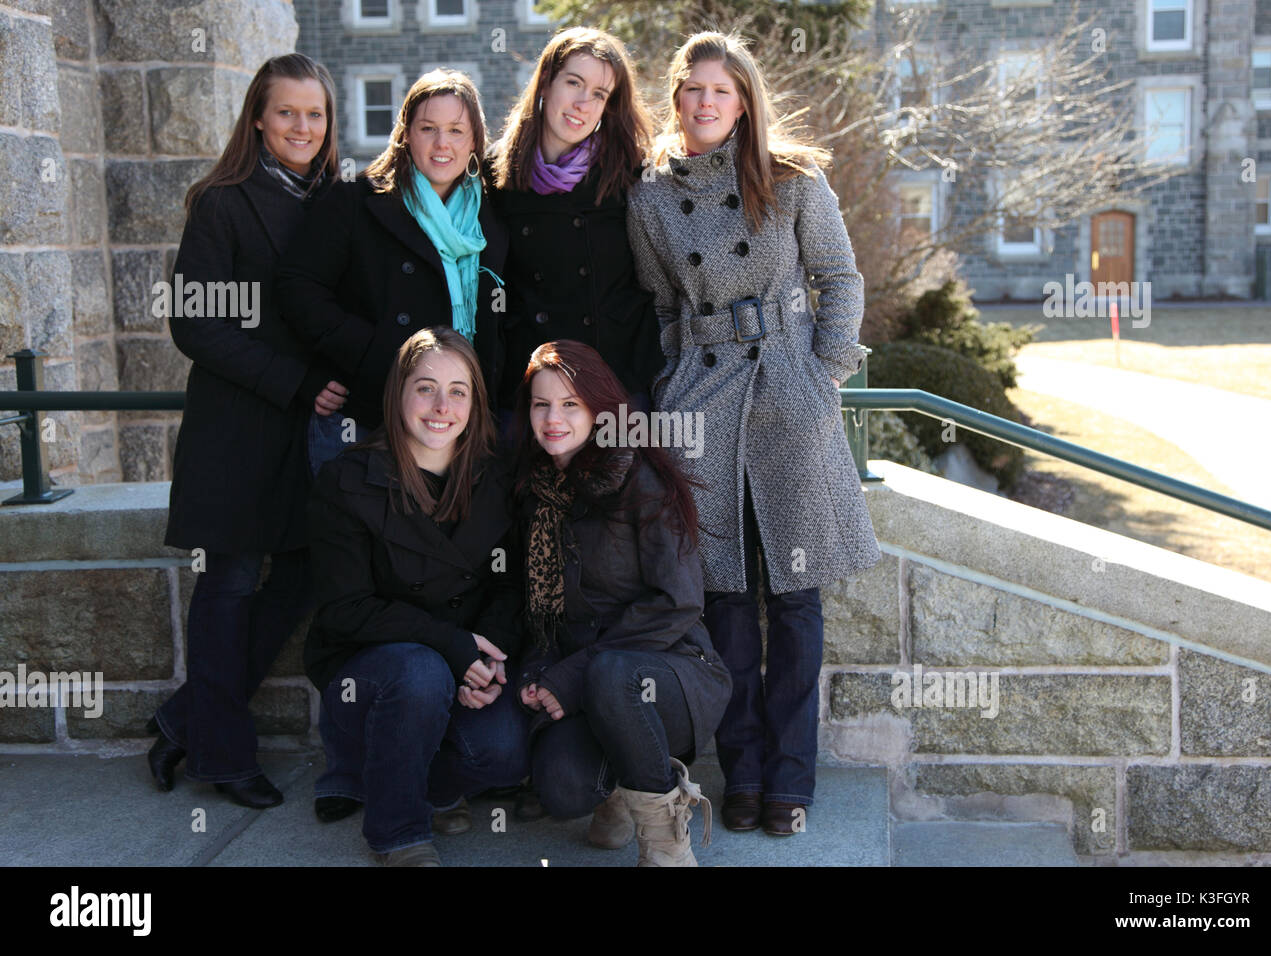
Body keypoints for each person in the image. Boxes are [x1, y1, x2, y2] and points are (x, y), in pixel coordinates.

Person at [626, 32, 881, 836]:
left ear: (744, 100)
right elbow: (662, 305)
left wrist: (824, 372)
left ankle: (791, 783)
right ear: (676, 98)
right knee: (728, 601)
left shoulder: (793, 180)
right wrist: (674, 387)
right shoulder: (649, 197)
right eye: (694, 90)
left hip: (786, 391)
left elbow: (839, 277)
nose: (707, 104)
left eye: (723, 91)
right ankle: (742, 776)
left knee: (796, 600)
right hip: (702, 400)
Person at [147, 53, 341, 809]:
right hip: (237, 427)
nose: (301, 126)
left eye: (314, 113)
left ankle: (184, 716)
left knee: (302, 576)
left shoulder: (341, 200)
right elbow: (195, 324)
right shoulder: (222, 202)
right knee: (228, 582)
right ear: (258, 118)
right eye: (286, 112)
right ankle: (222, 757)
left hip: (311, 438)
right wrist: (294, 381)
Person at [305, 328, 530, 867]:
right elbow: (346, 608)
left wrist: (488, 658)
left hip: (463, 659)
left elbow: (510, 586)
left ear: (475, 403)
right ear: (397, 394)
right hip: (372, 675)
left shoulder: (496, 479)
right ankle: (398, 835)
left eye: (458, 391)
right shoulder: (348, 480)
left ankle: (421, 784)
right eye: (425, 388)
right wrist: (451, 646)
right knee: (420, 672)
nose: (441, 406)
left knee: (505, 755)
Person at [513, 340, 732, 867]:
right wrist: (542, 671)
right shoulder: (535, 491)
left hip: (673, 672)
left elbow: (678, 603)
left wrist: (576, 671)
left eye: (571, 404)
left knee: (613, 673)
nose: (553, 418)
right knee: (563, 790)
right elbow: (537, 611)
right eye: (541, 404)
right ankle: (622, 788)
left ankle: (665, 842)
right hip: (585, 675)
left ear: (600, 407)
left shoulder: (640, 479)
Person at [278, 69, 508, 475]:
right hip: (367, 413)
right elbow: (298, 287)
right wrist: (372, 351)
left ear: (475, 140)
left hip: (458, 422)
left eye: (456, 130)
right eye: (428, 128)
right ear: (406, 134)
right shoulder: (356, 199)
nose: (442, 144)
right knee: (353, 535)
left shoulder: (492, 213)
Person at [486, 27, 662, 414]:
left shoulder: (629, 174)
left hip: (616, 385)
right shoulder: (495, 173)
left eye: (598, 94)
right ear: (546, 83)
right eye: (574, 83)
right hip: (530, 389)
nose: (583, 103)